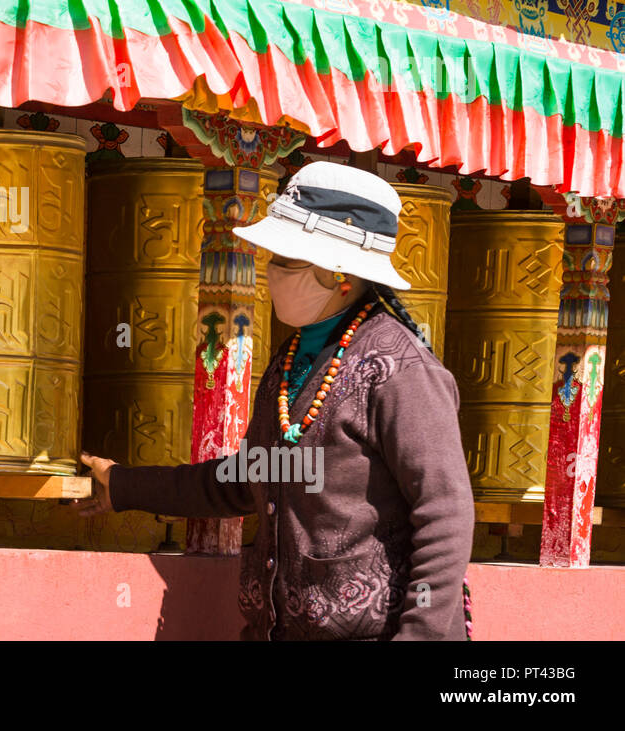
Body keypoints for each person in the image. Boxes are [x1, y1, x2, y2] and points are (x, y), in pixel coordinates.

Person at [77, 160, 475, 640]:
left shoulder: (400, 371)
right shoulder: (292, 360)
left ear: (338, 275)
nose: (269, 272)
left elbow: (445, 513)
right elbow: (246, 481)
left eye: (286, 261)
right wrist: (123, 486)